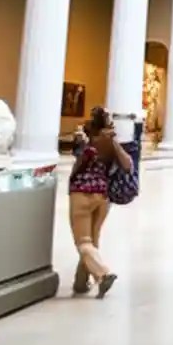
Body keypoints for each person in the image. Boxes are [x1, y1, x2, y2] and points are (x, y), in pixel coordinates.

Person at [68, 106, 131, 299]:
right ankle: (80, 282)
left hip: (81, 193)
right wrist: (113, 143)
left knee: (83, 242)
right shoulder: (110, 141)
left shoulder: (84, 140)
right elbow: (128, 165)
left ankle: (103, 274)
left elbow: (77, 165)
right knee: (92, 242)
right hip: (102, 195)